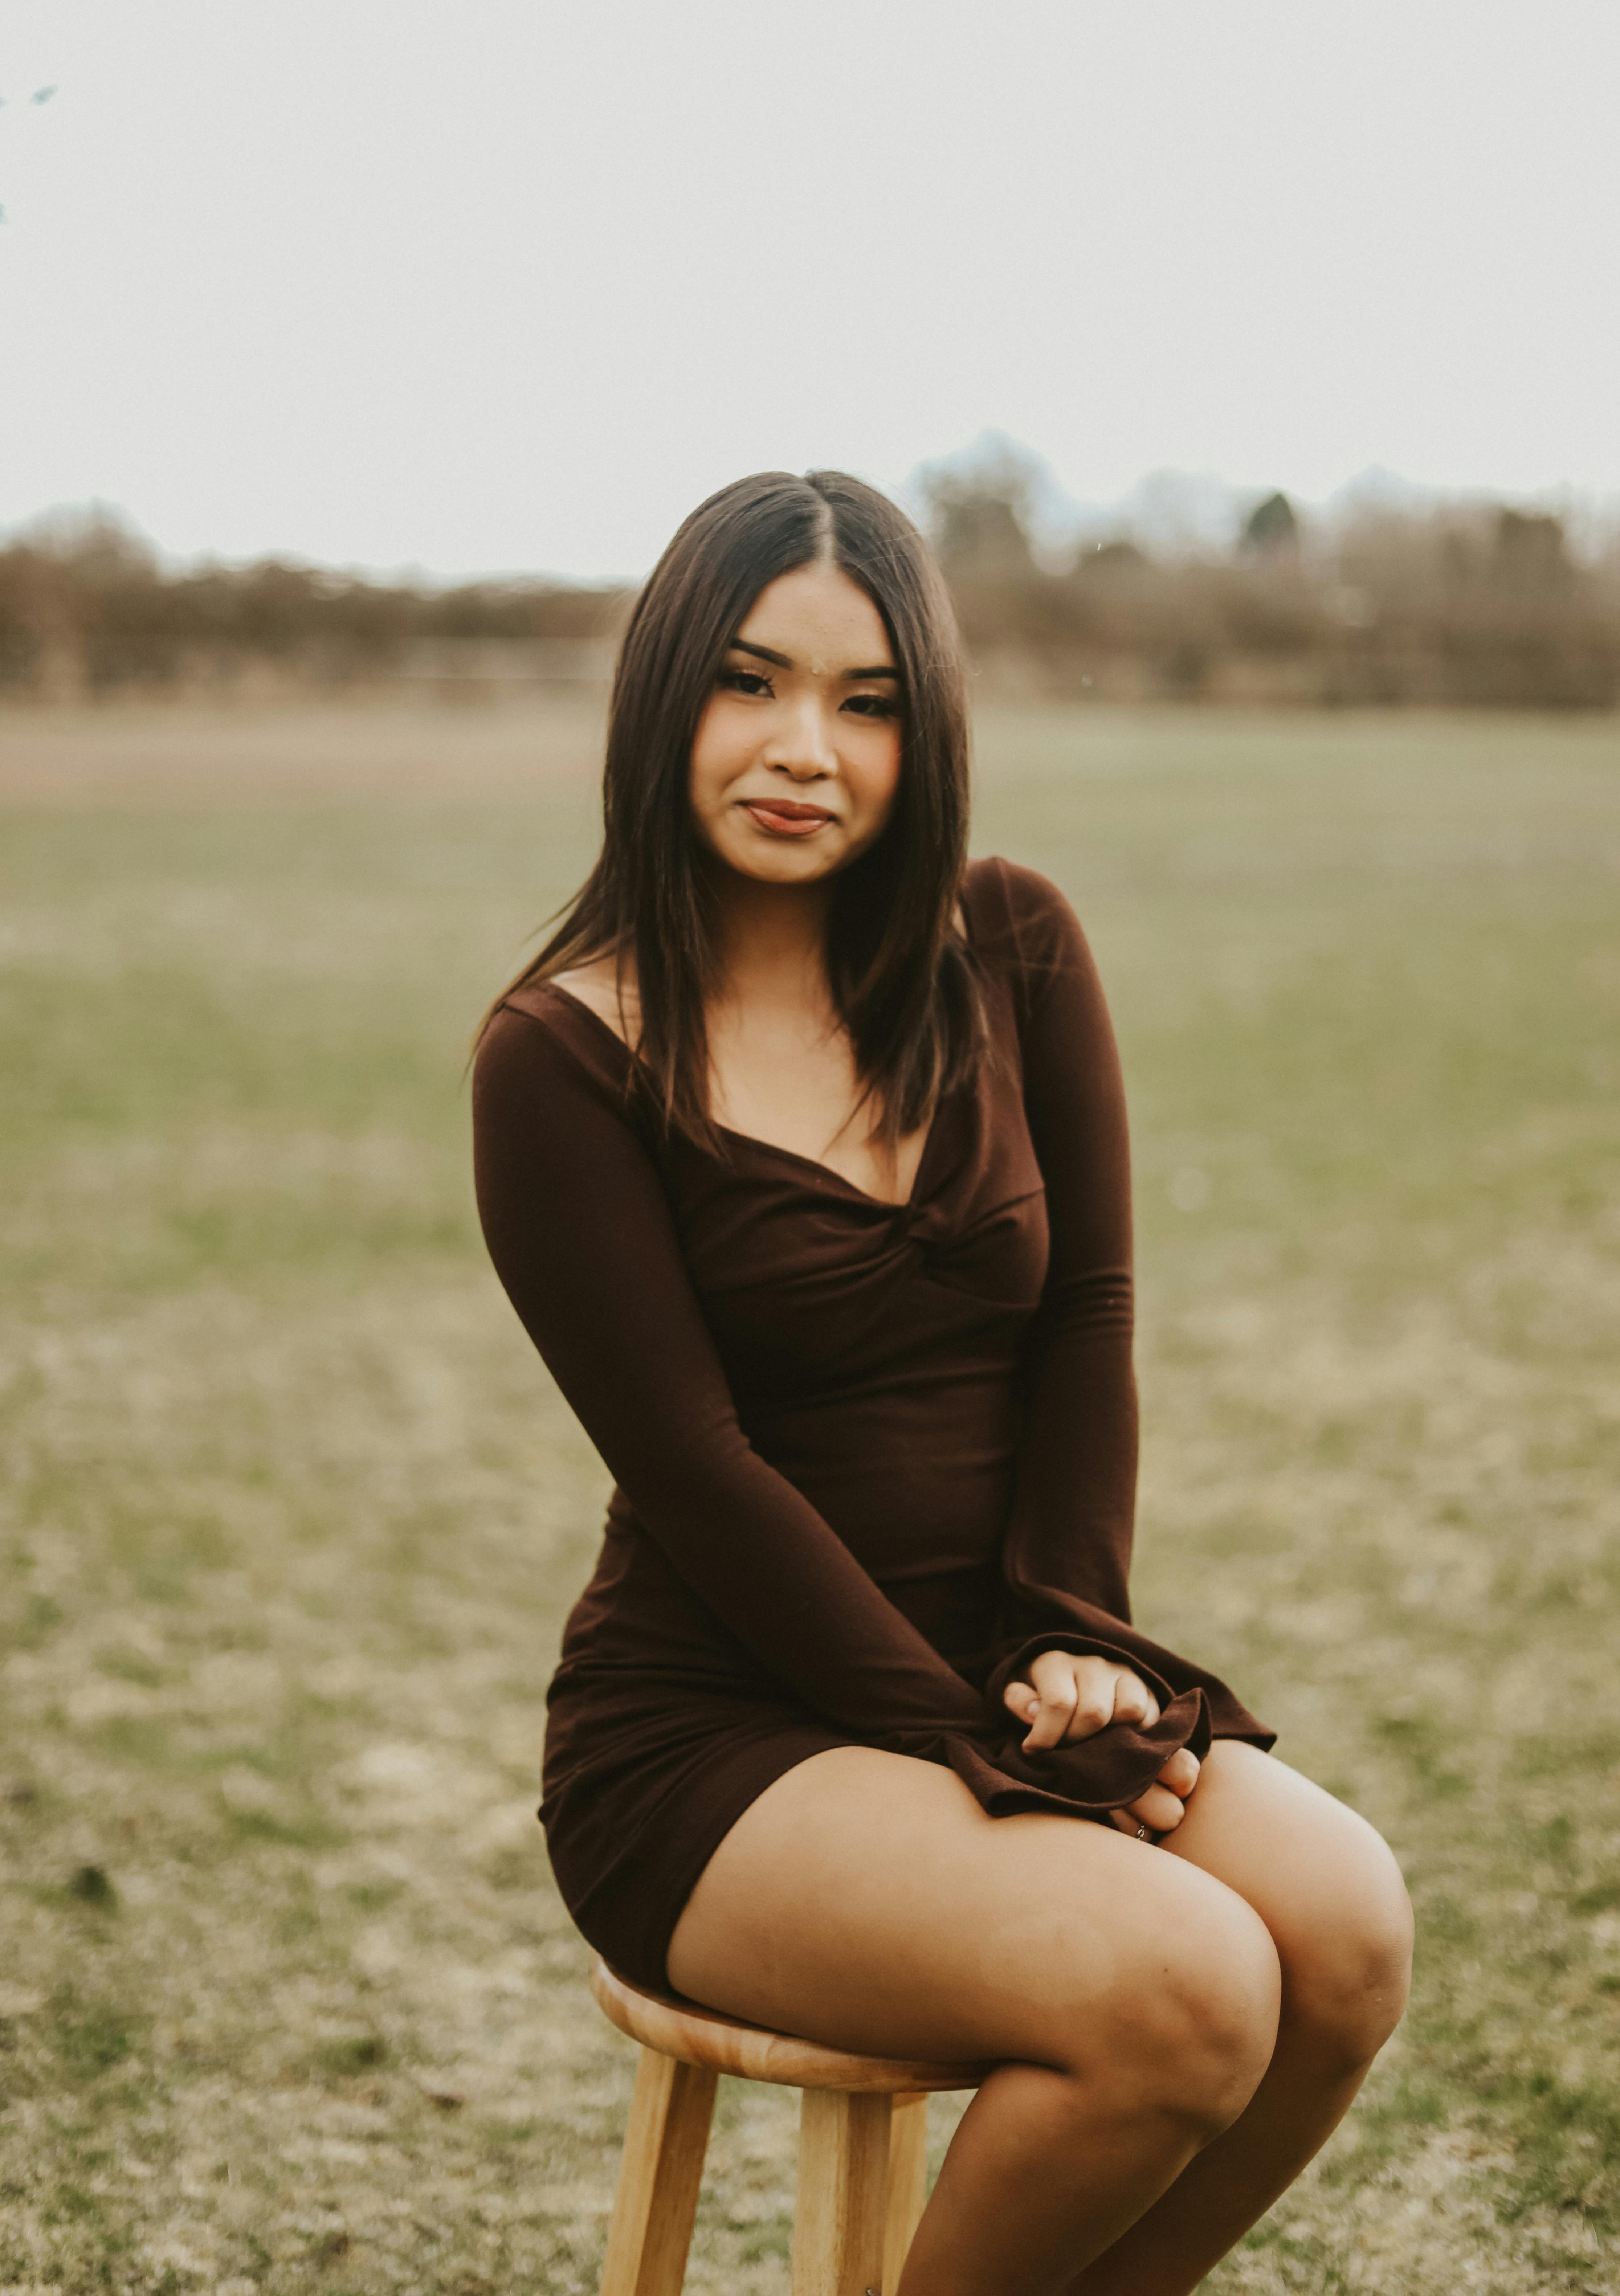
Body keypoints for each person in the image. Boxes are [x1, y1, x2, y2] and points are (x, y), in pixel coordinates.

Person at [472, 471, 1412, 2296]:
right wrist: (970, 1739)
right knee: (1186, 1986)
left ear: (927, 732)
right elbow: (696, 1460)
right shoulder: (562, 1058)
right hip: (721, 1739)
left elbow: (1090, 1314)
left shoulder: (1013, 945)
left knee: (1345, 1934)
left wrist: (1075, 1636)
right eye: (749, 683)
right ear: (663, 699)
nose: (801, 746)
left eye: (866, 699)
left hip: (1002, 1669)